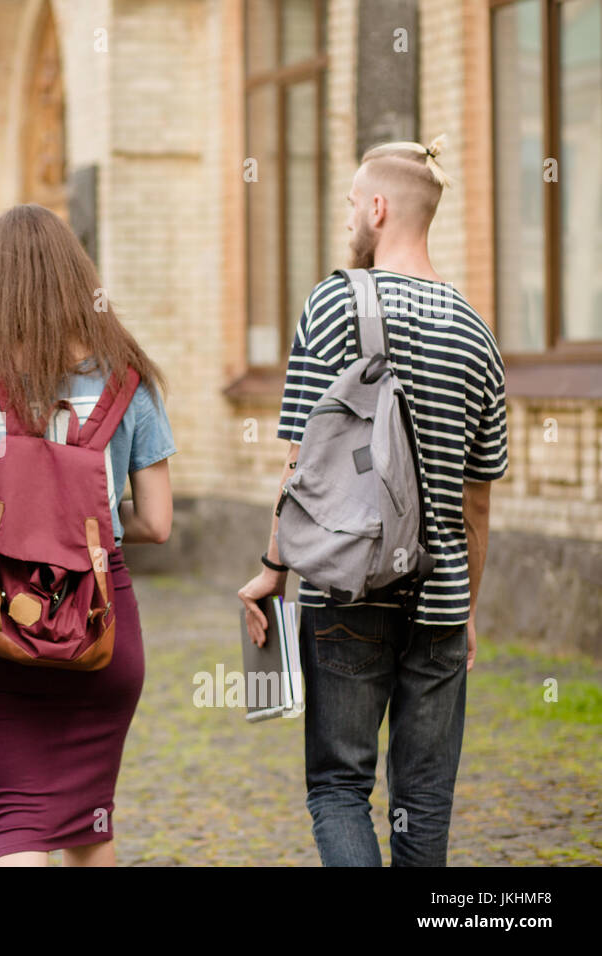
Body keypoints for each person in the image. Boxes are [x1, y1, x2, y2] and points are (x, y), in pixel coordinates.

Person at [238, 136, 509, 866]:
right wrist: (469, 609)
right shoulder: (479, 335)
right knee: (424, 808)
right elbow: (476, 504)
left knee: (337, 789)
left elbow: (302, 465)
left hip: (345, 591)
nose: (350, 218)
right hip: (443, 603)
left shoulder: (331, 304)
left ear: (380, 208)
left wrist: (273, 568)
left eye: (354, 204)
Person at [0, 203, 175, 866]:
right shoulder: (129, 379)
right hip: (100, 626)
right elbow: (157, 520)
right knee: (90, 827)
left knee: (18, 827)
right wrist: (85, 517)